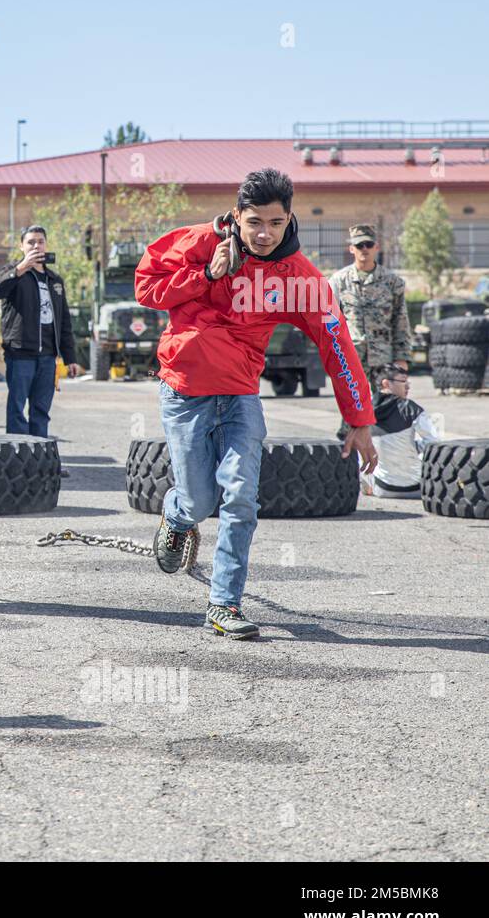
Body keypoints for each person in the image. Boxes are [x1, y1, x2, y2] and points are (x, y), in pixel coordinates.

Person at [136, 167, 379, 640]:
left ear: (289, 219)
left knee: (241, 497)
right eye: (255, 223)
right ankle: (178, 514)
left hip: (241, 397)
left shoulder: (299, 277)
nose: (265, 234)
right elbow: (146, 288)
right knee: (199, 499)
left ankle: (224, 605)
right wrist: (205, 274)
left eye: (275, 222)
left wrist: (359, 418)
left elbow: (338, 345)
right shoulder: (199, 242)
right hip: (184, 392)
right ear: (236, 217)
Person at [0, 225, 83, 437]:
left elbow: (65, 322)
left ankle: (41, 463)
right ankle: (18, 460)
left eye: (40, 241)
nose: (36, 246)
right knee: (17, 408)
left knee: (41, 410)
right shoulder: (12, 272)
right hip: (20, 352)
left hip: (48, 357)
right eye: (31, 242)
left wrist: (70, 358)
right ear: (21, 246)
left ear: (46, 244)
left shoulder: (55, 280)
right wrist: (21, 268)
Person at [328, 224, 411, 387]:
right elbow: (330, 324)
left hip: (383, 361)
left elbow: (400, 321)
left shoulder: (392, 282)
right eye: (359, 245)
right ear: (351, 249)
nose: (364, 249)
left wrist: (402, 358)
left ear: (376, 247)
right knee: (355, 409)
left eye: (369, 245)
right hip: (351, 361)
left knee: (385, 409)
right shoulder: (338, 282)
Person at [360, 363, 438, 499]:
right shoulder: (413, 409)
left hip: (381, 488)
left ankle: (368, 487)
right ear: (386, 383)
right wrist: (413, 447)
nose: (408, 386)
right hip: (416, 489)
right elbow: (434, 444)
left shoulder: (364, 409)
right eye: (403, 381)